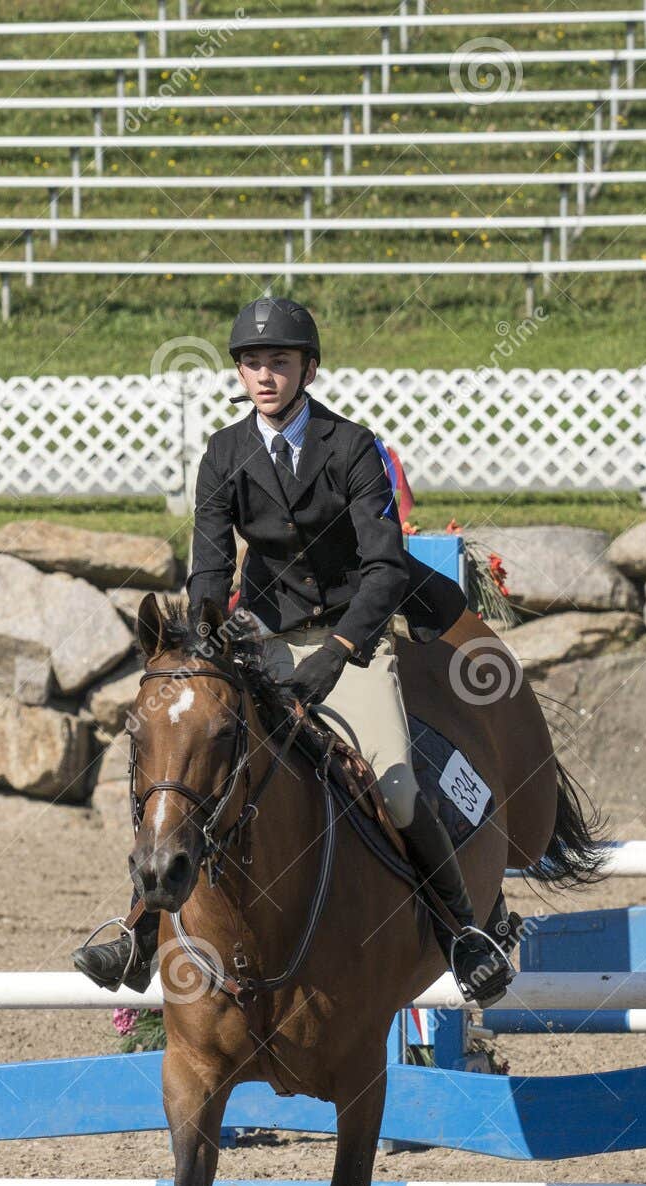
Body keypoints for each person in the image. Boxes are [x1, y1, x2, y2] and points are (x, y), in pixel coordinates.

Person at [73, 296, 513, 1006]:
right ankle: (137, 930)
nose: (265, 375)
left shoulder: (352, 447)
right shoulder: (224, 453)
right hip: (261, 639)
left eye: (278, 362)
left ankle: (464, 932)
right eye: (252, 364)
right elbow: (210, 570)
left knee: (395, 785)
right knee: (195, 766)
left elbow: (385, 568)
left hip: (350, 637)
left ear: (308, 369)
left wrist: (339, 650)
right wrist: (208, 645)